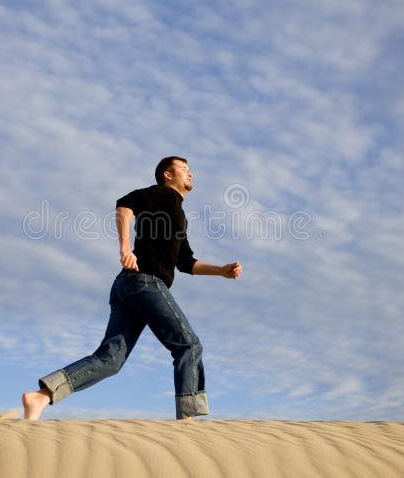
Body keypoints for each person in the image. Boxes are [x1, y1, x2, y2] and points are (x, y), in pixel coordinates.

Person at [22, 156, 242, 421]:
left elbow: (186, 263)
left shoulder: (176, 213)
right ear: (167, 175)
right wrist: (125, 248)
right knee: (189, 345)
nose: (190, 174)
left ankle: (41, 396)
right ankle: (188, 421)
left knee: (110, 360)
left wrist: (221, 270)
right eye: (184, 169)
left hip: (127, 286)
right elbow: (125, 205)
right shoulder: (163, 195)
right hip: (144, 282)